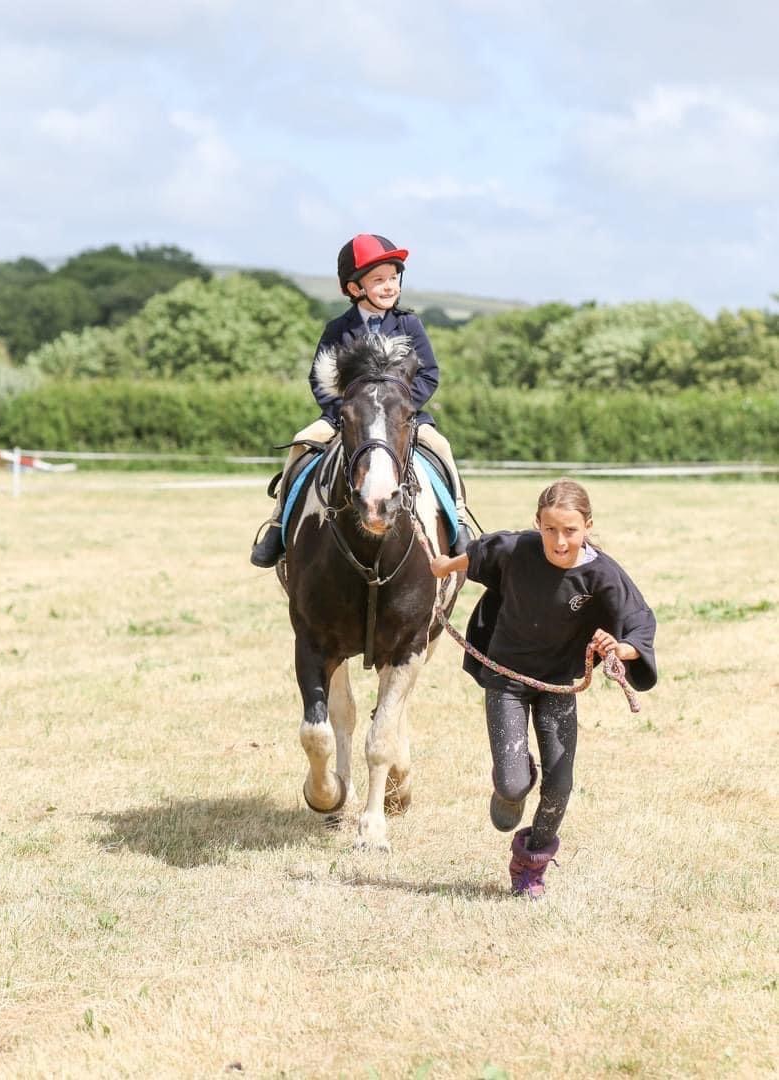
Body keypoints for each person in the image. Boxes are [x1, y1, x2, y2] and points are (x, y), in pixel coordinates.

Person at [429, 478, 657, 898]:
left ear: (587, 525)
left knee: (560, 784)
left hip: (557, 685)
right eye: (550, 529)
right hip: (506, 680)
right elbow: (478, 554)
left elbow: (639, 620)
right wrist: (444, 567)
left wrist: (620, 648)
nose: (560, 539)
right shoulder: (519, 549)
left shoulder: (601, 574)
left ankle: (530, 865)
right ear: (538, 524)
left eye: (570, 530)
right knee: (514, 784)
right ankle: (512, 785)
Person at [250, 233, 473, 567]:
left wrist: (399, 408)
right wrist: (348, 414)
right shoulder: (338, 329)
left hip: (401, 418)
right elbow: (320, 379)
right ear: (355, 288)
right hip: (347, 418)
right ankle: (280, 521)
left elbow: (429, 374)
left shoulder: (408, 323)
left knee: (440, 445)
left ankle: (458, 522)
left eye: (393, 278)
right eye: (379, 280)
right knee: (301, 442)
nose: (390, 286)